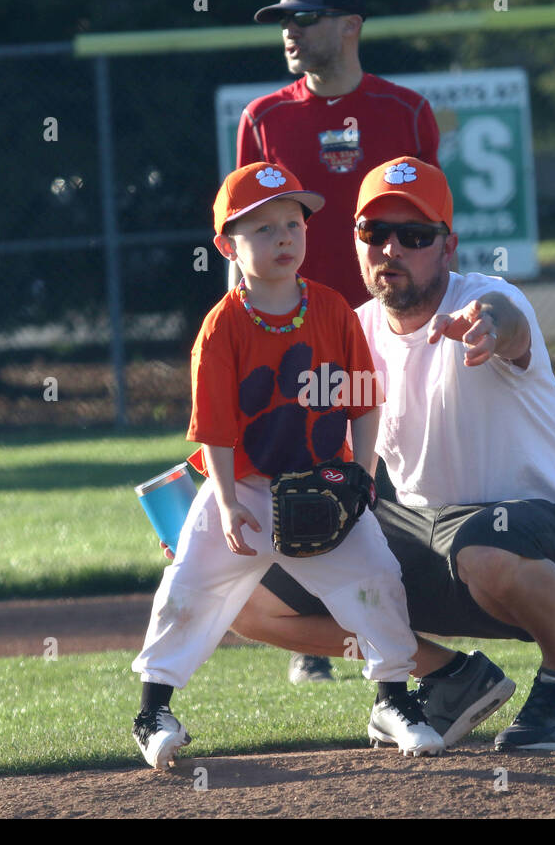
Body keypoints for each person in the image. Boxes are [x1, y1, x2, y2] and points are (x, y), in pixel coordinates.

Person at [227, 157, 555, 751]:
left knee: (482, 543)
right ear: (356, 242)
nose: (392, 249)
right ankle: (450, 676)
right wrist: (216, 508)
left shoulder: (486, 298)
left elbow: (507, 325)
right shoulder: (350, 335)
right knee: (245, 592)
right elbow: (287, 439)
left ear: (447, 247)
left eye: (414, 236)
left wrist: (489, 328)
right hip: (430, 540)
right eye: (375, 233)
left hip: (551, 542)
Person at [130, 161, 444, 770]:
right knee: (190, 588)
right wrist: (223, 504)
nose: (283, 238)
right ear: (227, 245)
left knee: (377, 577)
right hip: (242, 489)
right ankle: (153, 712)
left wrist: (365, 475)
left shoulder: (330, 310)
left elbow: (363, 399)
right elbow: (215, 432)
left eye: (292, 224)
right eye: (263, 228)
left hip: (327, 488)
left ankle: (394, 701)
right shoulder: (222, 327)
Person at [243, 0, 442, 682]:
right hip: (298, 330)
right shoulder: (265, 118)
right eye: (286, 21)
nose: (291, 31)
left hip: (384, 323)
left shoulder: (407, 112)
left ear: (350, 27)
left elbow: (428, 224)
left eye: (307, 17)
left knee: (387, 469)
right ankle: (318, 634)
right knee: (298, 475)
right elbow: (245, 233)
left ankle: (399, 623)